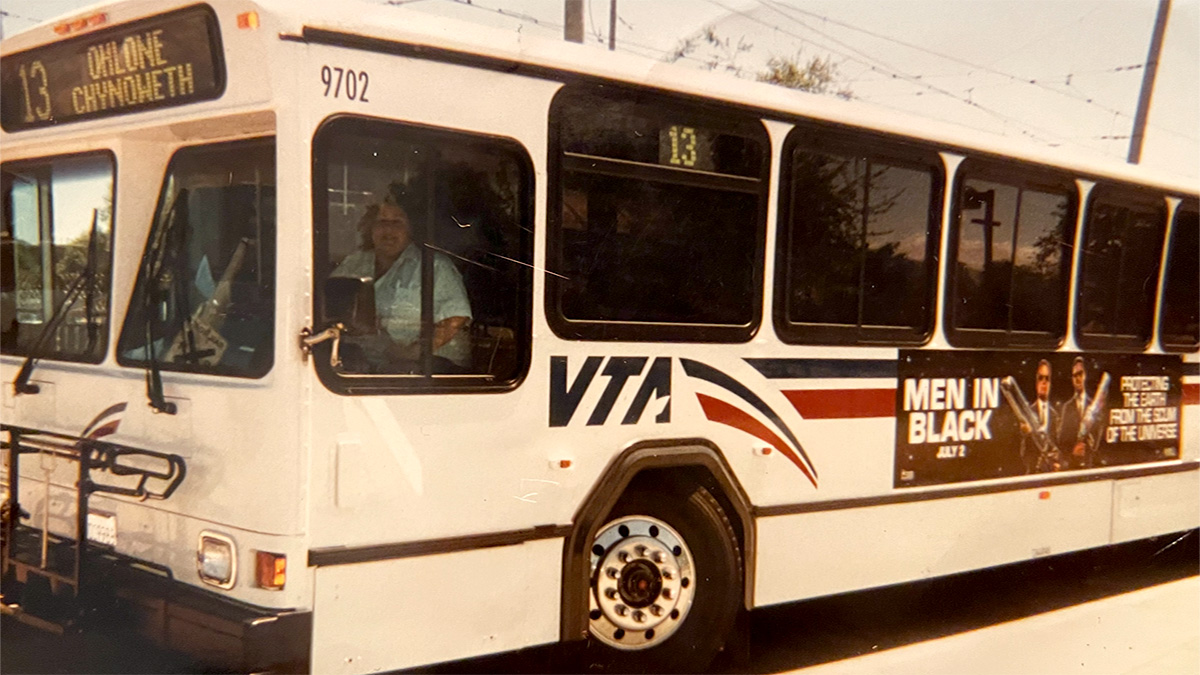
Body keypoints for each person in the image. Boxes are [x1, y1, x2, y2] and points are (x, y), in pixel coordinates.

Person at [332, 195, 471, 371]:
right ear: (370, 228)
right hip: (365, 364)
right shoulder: (354, 263)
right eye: (382, 222)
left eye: (397, 223)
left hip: (430, 368)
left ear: (411, 229)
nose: (388, 231)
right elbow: (330, 304)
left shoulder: (435, 266)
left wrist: (415, 353)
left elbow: (455, 319)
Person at [1018, 359, 1061, 473]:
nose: (1044, 382)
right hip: (1033, 473)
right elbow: (1023, 452)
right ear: (1036, 382)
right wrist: (1026, 435)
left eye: (1047, 379)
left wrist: (1056, 462)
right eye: (1040, 378)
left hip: (1050, 473)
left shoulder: (1054, 415)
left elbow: (1057, 445)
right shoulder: (1027, 413)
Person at [1057, 356, 1099, 469]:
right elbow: (1061, 439)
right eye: (1075, 375)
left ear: (1085, 375)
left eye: (1080, 374)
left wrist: (1091, 445)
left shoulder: (1093, 406)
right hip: (1072, 464)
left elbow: (1100, 434)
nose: (1077, 378)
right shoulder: (1067, 407)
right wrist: (1073, 450)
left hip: (1091, 464)